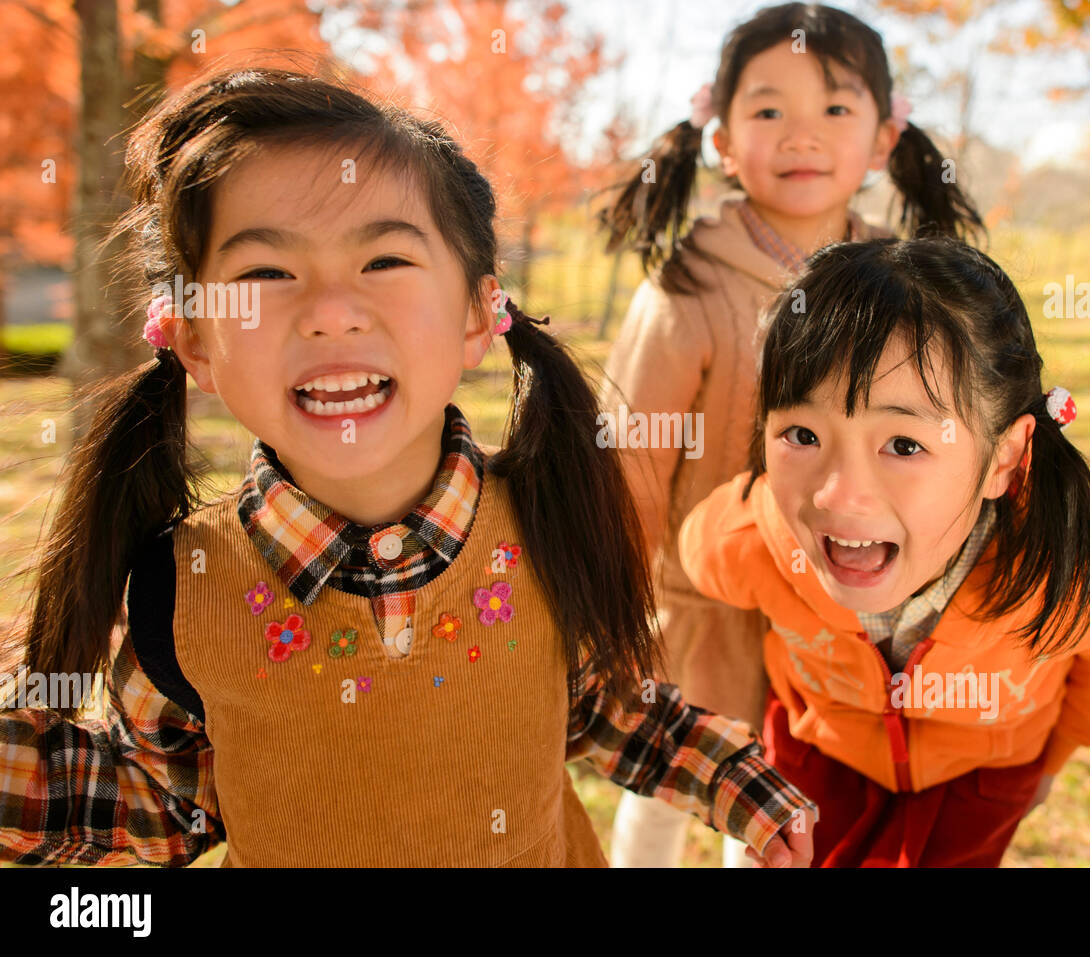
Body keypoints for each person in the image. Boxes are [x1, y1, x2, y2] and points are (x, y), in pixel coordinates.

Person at [0, 66, 817, 868]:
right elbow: (164, 806)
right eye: (265, 274)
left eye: (384, 261)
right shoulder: (181, 591)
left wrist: (738, 779)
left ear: (477, 312)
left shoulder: (546, 522)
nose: (330, 312)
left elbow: (609, 709)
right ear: (196, 341)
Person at [599, 1, 983, 867]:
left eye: (835, 110)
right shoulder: (689, 287)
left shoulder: (903, 285)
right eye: (769, 110)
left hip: (835, 605)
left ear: (884, 138)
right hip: (703, 604)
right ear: (724, 139)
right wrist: (616, 600)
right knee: (667, 791)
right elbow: (630, 457)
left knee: (784, 803)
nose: (802, 135)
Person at [678, 236, 1090, 867]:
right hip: (821, 758)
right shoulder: (750, 540)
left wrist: (1058, 756)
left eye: (904, 445)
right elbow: (697, 556)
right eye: (802, 434)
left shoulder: (1076, 566)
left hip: (983, 777)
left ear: (1005, 458)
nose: (839, 496)